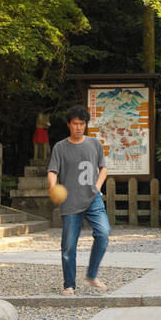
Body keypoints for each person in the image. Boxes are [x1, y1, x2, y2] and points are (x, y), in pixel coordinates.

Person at [47, 105, 110, 296]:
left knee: (104, 233)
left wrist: (98, 187)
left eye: (82, 124)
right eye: (75, 124)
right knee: (68, 246)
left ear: (86, 125)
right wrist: (53, 186)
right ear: (69, 124)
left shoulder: (94, 144)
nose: (79, 127)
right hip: (70, 201)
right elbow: (52, 171)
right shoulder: (60, 147)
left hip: (93, 199)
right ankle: (69, 285)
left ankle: (91, 275)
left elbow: (103, 168)